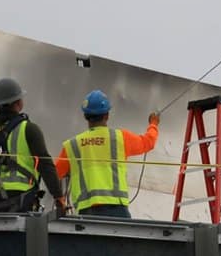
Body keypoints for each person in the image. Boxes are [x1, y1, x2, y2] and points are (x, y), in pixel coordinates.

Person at [56, 89, 159, 218]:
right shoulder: (120, 137)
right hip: (117, 210)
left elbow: (55, 174)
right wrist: (153, 124)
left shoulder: (72, 145)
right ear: (107, 115)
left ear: (85, 116)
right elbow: (148, 142)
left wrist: (60, 199)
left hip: (86, 213)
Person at [0, 78, 65, 213]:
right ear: (18, 102)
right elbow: (45, 165)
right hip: (21, 198)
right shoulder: (29, 129)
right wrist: (58, 197)